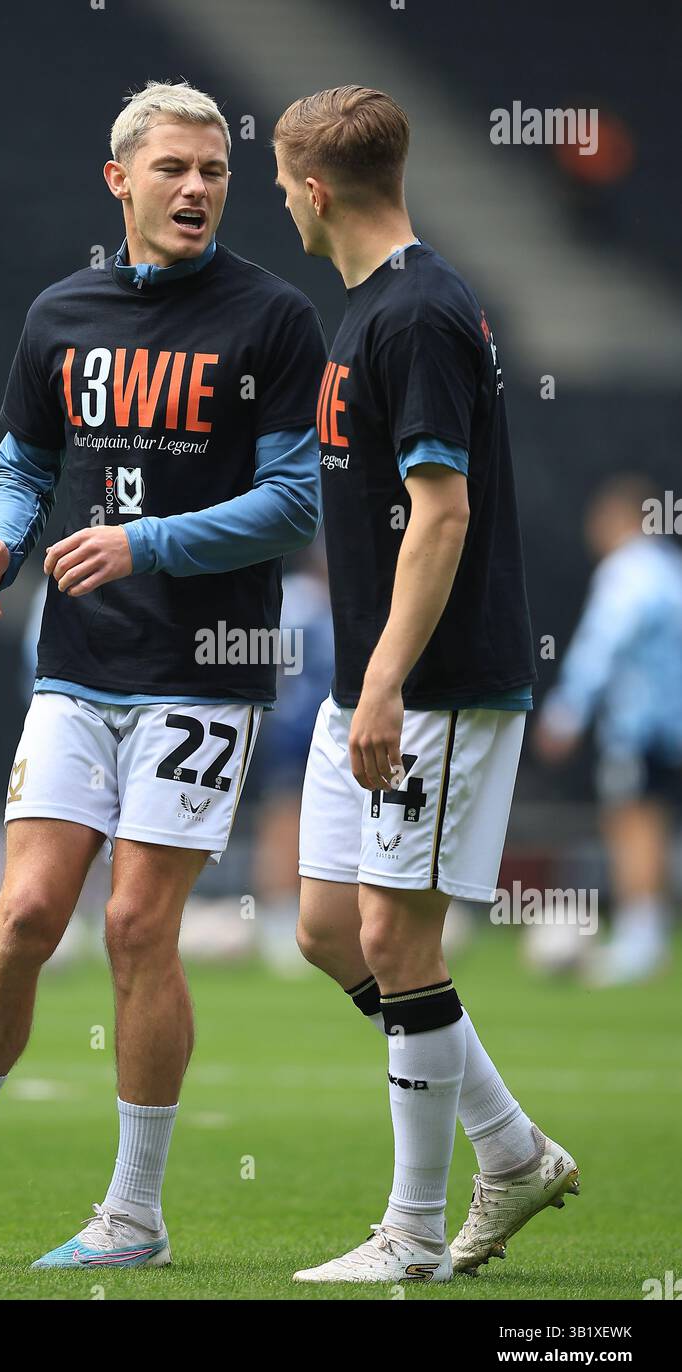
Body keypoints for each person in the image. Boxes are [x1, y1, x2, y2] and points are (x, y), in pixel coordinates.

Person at [0, 80, 327, 1270]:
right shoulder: (59, 311)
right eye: (171, 168)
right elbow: (24, 457)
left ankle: (133, 1217)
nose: (195, 189)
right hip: (76, 660)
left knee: (133, 924)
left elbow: (292, 502)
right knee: (22, 912)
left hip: (201, 668)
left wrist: (143, 543)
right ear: (117, 180)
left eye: (215, 172)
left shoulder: (270, 317)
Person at [273, 85, 579, 1283]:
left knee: (399, 938)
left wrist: (389, 679)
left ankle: (410, 1233)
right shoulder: (371, 308)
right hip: (376, 677)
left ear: (311, 190)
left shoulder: (415, 317)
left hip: (433, 683)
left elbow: (439, 513)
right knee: (325, 929)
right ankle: (510, 1150)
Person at [535, 474, 682, 986]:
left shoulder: (626, 572)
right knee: (656, 822)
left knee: (632, 819)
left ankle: (640, 941)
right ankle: (651, 934)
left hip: (640, 725)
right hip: (673, 724)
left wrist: (566, 712)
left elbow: (603, 643)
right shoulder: (670, 569)